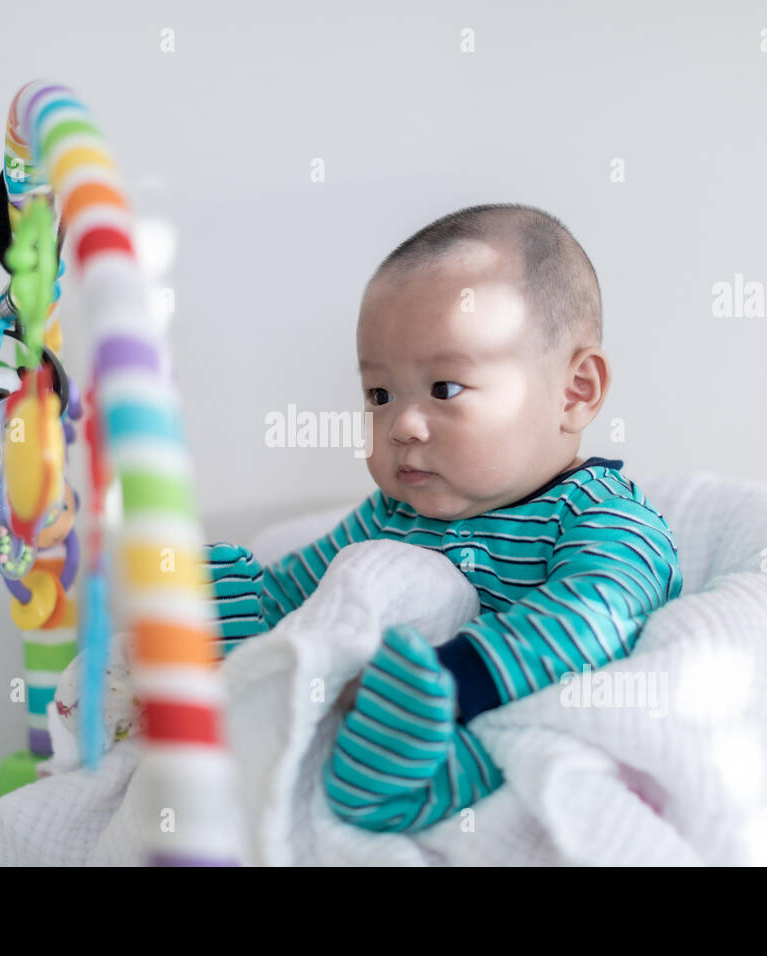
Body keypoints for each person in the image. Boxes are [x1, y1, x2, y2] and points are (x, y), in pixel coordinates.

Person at [205, 203, 683, 832]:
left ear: (575, 392)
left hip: (485, 720)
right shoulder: (393, 515)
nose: (401, 425)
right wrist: (247, 603)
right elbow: (308, 589)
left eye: (445, 389)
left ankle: (393, 786)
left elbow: (597, 609)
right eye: (379, 394)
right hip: (377, 708)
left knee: (532, 741)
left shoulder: (600, 516)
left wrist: (453, 677)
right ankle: (240, 690)